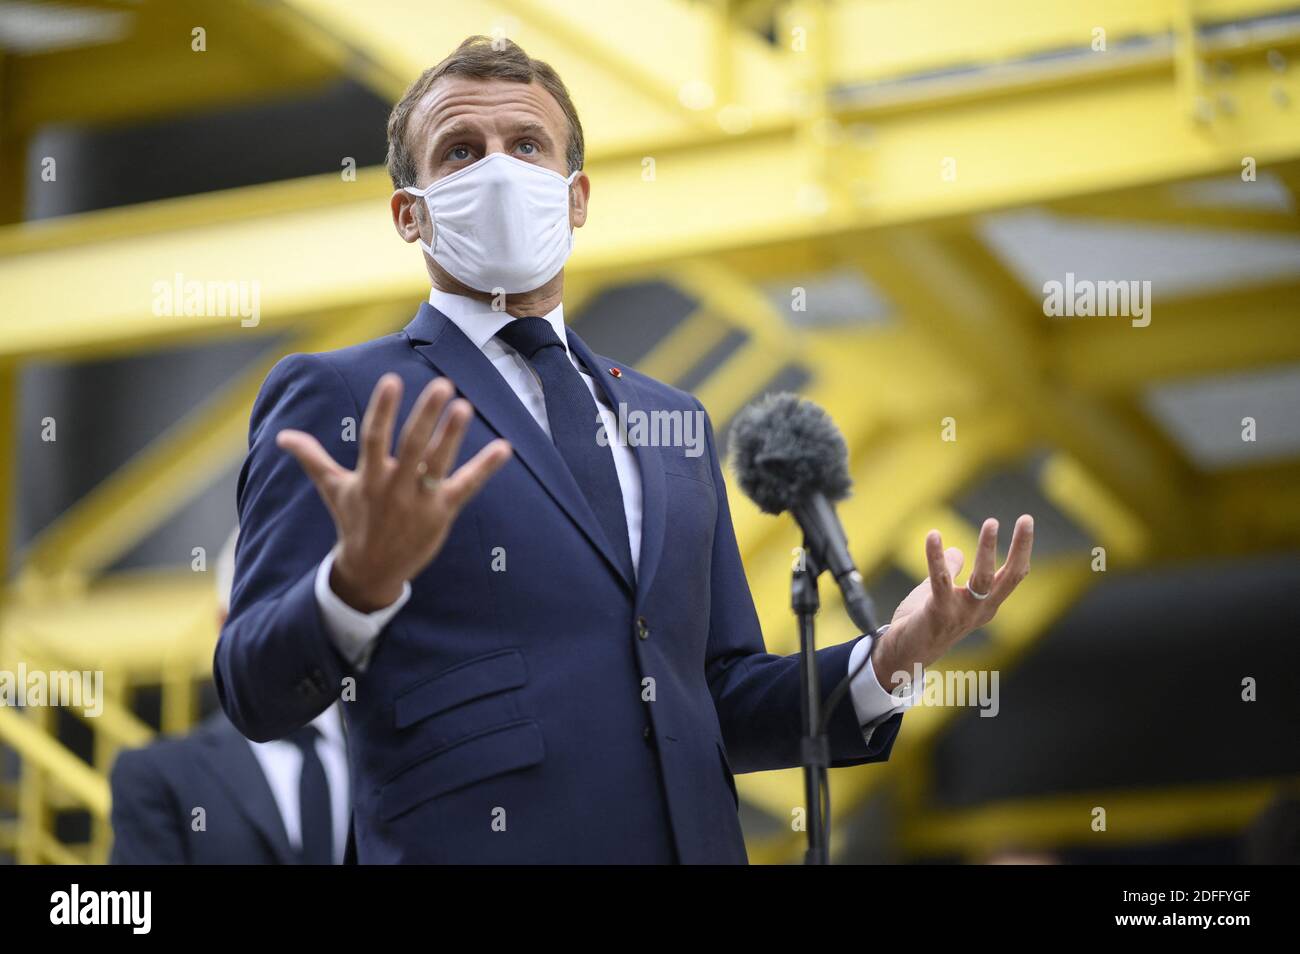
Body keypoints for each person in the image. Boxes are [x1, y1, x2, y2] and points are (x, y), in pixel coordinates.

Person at [215, 36, 1034, 864]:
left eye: (526, 145)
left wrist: (890, 658)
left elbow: (715, 697)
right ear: (409, 213)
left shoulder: (671, 420)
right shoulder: (346, 396)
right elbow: (253, 687)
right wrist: (354, 585)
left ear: (575, 198)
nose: (498, 170)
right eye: (461, 152)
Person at [111, 529, 349, 864]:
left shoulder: (392, 752)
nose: (292, 626)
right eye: (275, 608)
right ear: (224, 625)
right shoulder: (160, 778)